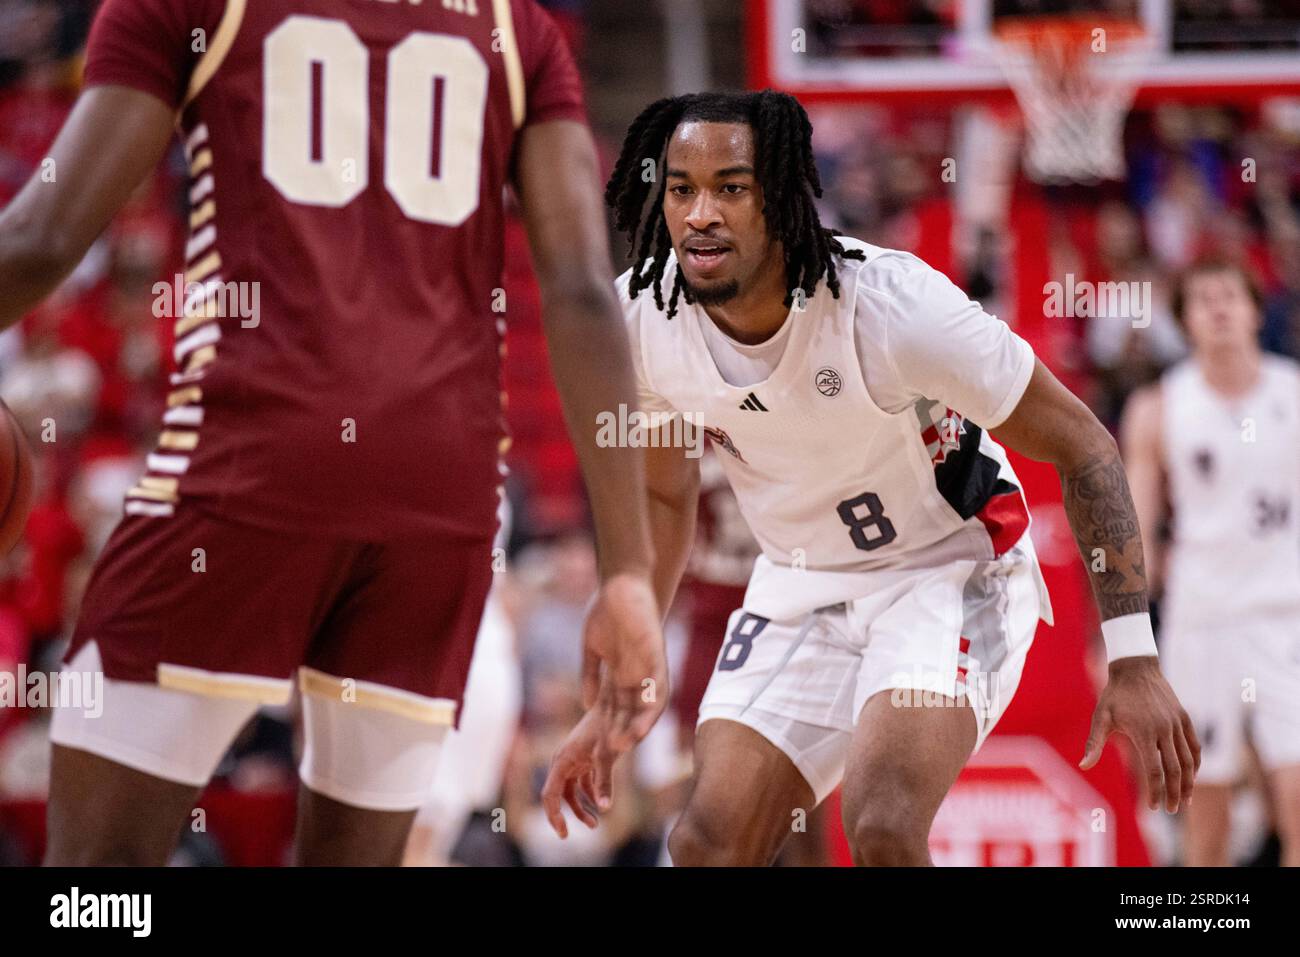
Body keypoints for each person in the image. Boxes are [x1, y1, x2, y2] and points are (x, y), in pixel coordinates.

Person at [0, 0, 664, 866]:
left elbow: (44, 233)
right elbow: (580, 288)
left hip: (250, 468)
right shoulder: (518, 30)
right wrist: (627, 573)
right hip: (441, 503)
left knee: (92, 889)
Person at [543, 90, 1199, 866]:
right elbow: (661, 489)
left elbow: (1086, 446)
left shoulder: (891, 307)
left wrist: (1133, 655)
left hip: (948, 571)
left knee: (883, 822)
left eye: (730, 187)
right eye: (681, 188)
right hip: (799, 581)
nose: (699, 213)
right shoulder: (644, 320)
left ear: (781, 197)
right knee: (705, 842)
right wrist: (632, 665)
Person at [1121, 258, 1300, 866]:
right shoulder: (1158, 406)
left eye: (1230, 295)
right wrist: (1123, 636)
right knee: (1207, 814)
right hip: (1202, 621)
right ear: (1186, 323)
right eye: (1202, 300)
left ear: (1255, 310)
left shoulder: (1293, 392)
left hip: (1286, 617)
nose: (1219, 307)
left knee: (1297, 798)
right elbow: (1136, 530)